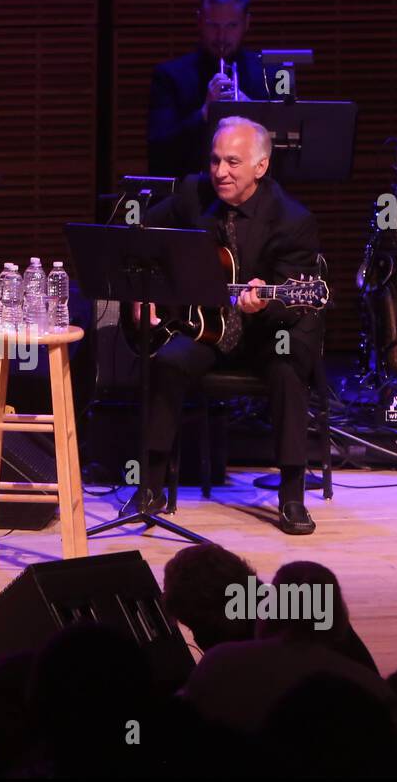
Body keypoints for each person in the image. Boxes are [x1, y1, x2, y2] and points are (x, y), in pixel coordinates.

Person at [135, 116, 324, 534]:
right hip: (208, 327)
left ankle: (292, 494)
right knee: (167, 362)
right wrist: (142, 292)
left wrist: (265, 304)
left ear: (261, 167)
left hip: (266, 330)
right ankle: (149, 486)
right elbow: (140, 236)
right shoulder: (192, 193)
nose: (220, 172)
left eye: (233, 163)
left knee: (287, 367)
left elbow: (297, 302)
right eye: (216, 160)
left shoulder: (292, 219)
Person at [148, 0, 270, 181]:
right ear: (199, 21)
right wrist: (204, 113)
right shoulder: (169, 76)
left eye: (231, 26)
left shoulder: (267, 73)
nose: (221, 36)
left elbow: (285, 149)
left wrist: (252, 111)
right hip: (190, 197)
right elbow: (159, 153)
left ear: (246, 23)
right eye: (213, 26)